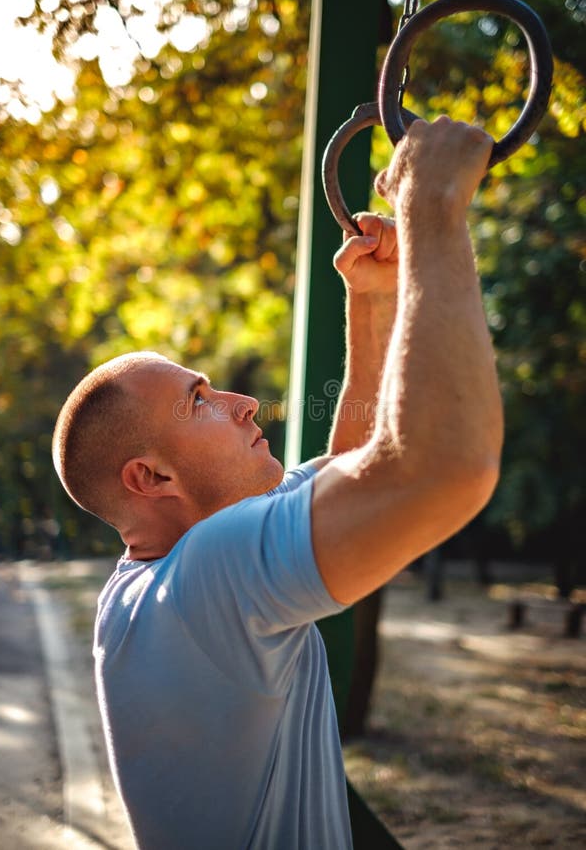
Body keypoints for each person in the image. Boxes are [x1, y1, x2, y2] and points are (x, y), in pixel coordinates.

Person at [52, 117, 503, 849]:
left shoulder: (171, 572)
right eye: (200, 401)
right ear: (153, 475)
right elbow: (445, 468)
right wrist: (434, 211)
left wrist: (374, 305)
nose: (243, 402)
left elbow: (353, 471)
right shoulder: (207, 576)